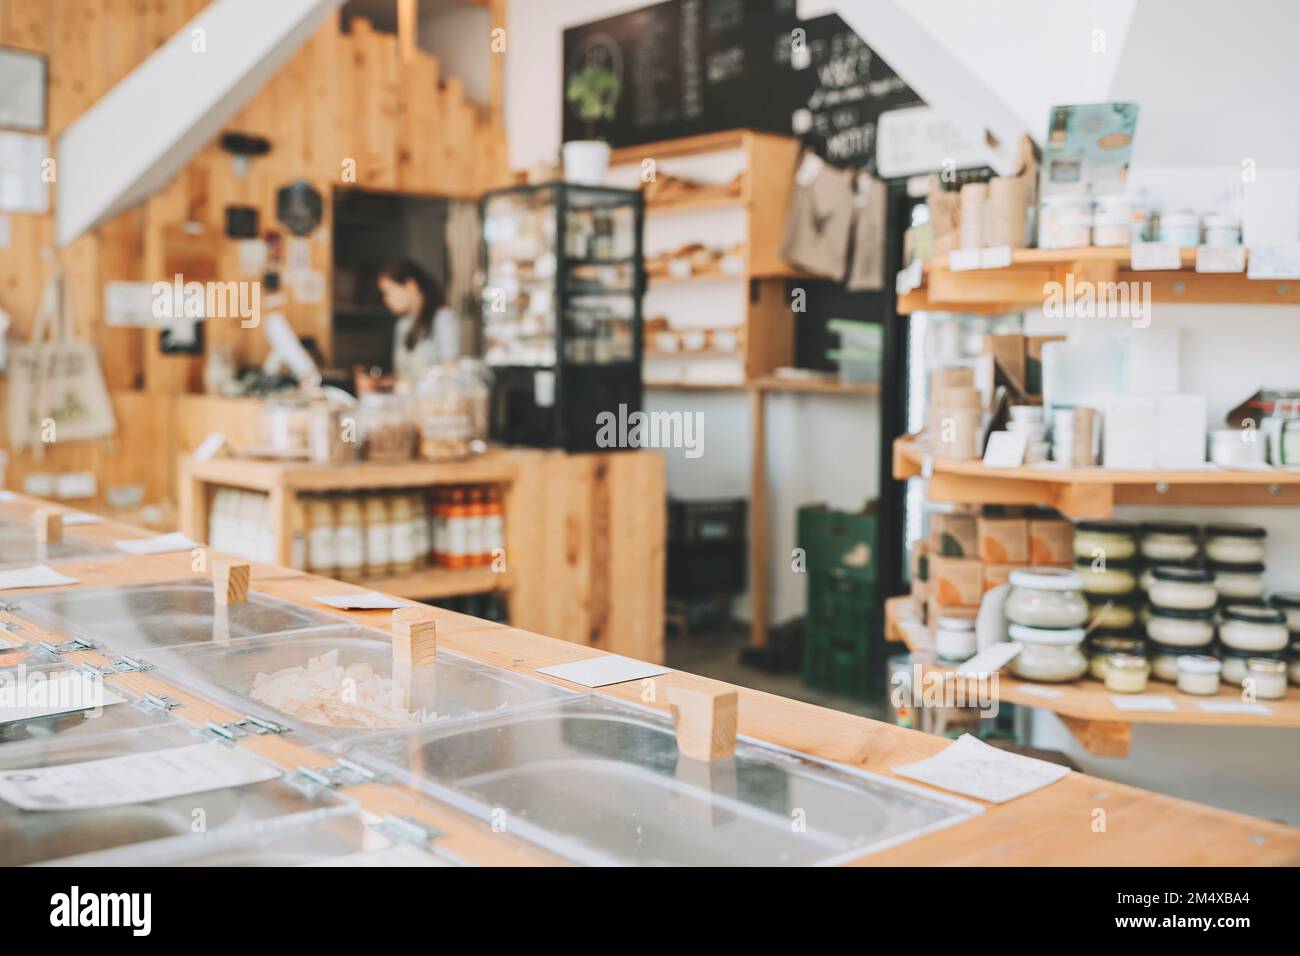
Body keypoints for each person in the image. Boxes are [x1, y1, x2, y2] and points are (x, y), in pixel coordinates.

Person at [376, 259, 460, 383]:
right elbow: (401, 375)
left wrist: (414, 386)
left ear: (410, 286)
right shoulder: (402, 325)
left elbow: (450, 371)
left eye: (388, 292)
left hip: (433, 400)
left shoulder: (442, 318)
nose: (386, 300)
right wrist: (379, 383)